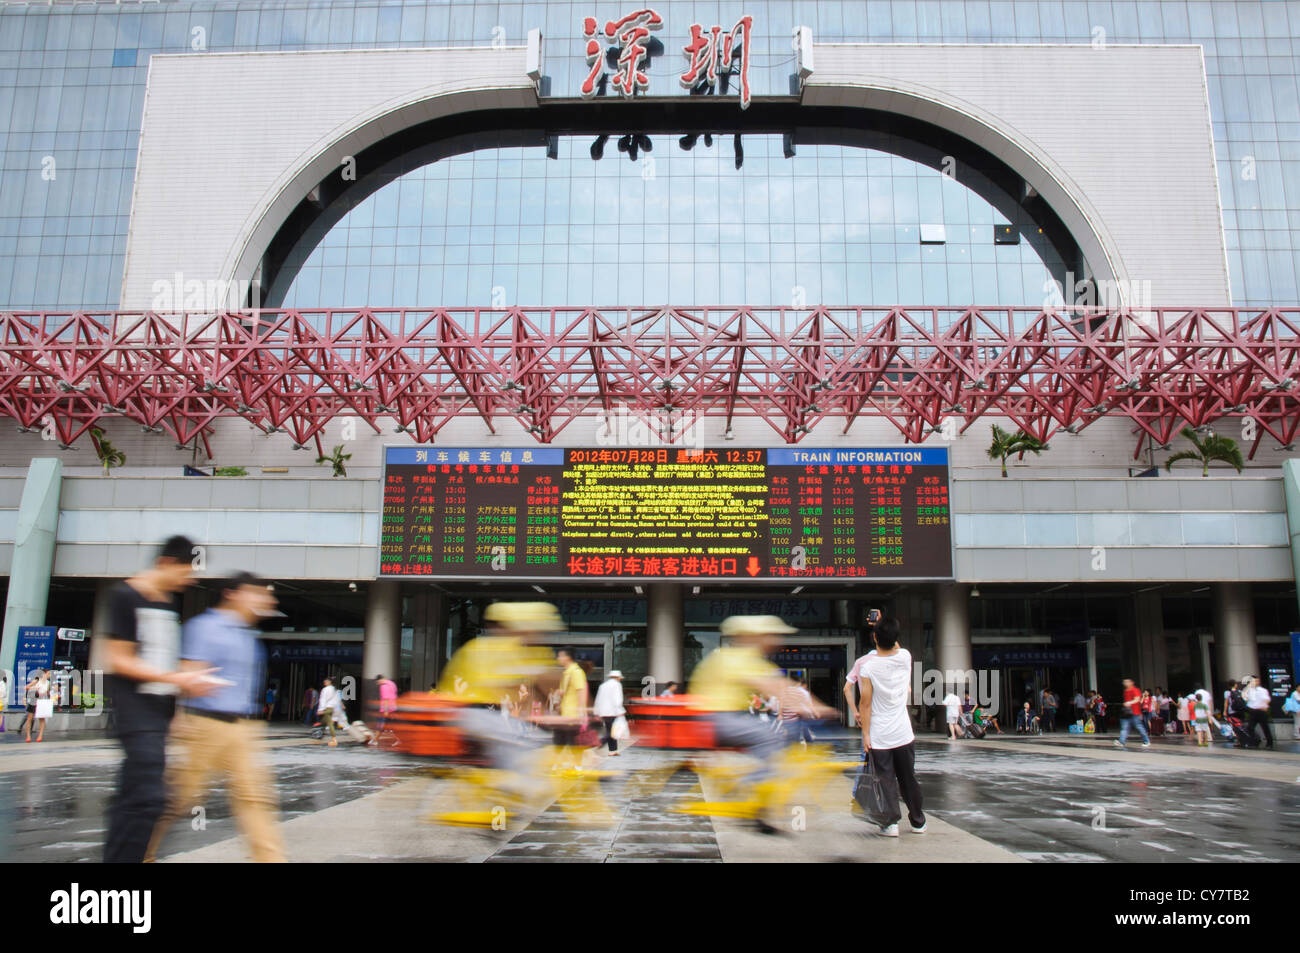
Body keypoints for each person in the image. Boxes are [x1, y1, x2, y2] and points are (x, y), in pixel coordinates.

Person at [144, 572, 285, 863]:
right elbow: (188, 672)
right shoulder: (204, 627)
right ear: (232, 593)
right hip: (206, 724)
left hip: (243, 728)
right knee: (181, 798)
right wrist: (180, 716)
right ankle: (140, 851)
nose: (265, 600)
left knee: (256, 799)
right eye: (257, 593)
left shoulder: (247, 634)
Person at [101, 535, 219, 863]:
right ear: (166, 563)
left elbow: (165, 659)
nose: (191, 580)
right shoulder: (125, 596)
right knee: (146, 797)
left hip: (158, 712)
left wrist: (177, 710)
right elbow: (119, 659)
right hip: (134, 710)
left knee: (144, 797)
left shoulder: (166, 603)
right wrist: (175, 678)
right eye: (187, 571)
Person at [689, 615, 835, 834]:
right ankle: (749, 787)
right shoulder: (740, 658)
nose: (775, 640)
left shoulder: (740, 658)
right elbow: (778, 688)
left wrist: (814, 705)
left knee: (770, 738)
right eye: (770, 635)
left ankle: (758, 800)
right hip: (715, 718)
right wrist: (818, 709)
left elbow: (781, 684)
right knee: (771, 736)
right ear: (752, 637)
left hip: (719, 718)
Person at [856, 617, 925, 837]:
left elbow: (865, 703)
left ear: (875, 637)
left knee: (885, 779)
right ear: (896, 638)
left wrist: (865, 734)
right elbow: (895, 644)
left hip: (879, 735)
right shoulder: (905, 657)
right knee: (908, 779)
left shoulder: (868, 667)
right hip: (903, 732)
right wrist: (884, 628)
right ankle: (918, 821)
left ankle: (891, 824)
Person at [553, 648, 589, 749]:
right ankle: (562, 763)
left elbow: (581, 692)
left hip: (573, 716)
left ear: (567, 657)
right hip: (565, 715)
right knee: (560, 743)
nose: (558, 658)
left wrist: (581, 713)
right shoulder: (567, 673)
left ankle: (577, 764)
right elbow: (565, 692)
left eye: (560, 656)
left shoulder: (576, 672)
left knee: (572, 744)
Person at [592, 669, 626, 756]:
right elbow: (617, 699)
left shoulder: (603, 685)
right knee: (611, 732)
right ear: (618, 678)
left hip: (604, 712)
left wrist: (597, 712)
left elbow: (598, 699)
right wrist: (620, 710)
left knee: (610, 730)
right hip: (613, 711)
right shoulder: (617, 685)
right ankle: (599, 743)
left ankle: (613, 750)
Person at [1114, 678, 1151, 749]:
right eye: (1124, 682)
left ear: (1131, 683)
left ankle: (1146, 741)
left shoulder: (1135, 690)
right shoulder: (1125, 691)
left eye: (1127, 682)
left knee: (1138, 726)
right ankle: (1121, 741)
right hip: (1127, 712)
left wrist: (1129, 703)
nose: (1125, 683)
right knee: (1124, 727)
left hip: (1135, 712)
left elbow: (1137, 699)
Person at [779, 678, 816, 745]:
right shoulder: (798, 692)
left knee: (788, 738)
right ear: (798, 683)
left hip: (786, 719)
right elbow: (800, 707)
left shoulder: (784, 691)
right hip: (795, 720)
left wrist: (780, 714)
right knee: (796, 739)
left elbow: (781, 705)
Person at [18, 668, 51, 743]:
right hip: (34, 700)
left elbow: (48, 692)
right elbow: (26, 687)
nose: (49, 675)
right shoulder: (37, 681)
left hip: (42, 701)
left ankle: (40, 736)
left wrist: (47, 693)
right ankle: (28, 736)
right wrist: (36, 688)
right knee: (30, 718)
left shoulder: (48, 683)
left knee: (41, 719)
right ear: (43, 674)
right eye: (48, 673)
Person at [1244, 675, 1275, 750]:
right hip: (1253, 711)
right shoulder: (1249, 691)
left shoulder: (1263, 690)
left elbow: (1267, 699)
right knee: (1250, 728)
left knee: (1265, 728)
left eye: (1256, 681)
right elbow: (1247, 700)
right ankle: (1254, 742)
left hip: (1261, 711)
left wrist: (1265, 706)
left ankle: (1269, 744)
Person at [371, 673, 398, 742]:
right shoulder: (392, 683)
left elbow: (386, 699)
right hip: (393, 708)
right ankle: (399, 740)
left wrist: (386, 711)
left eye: (377, 682)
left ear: (379, 680)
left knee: (380, 726)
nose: (378, 684)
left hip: (385, 710)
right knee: (391, 726)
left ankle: (374, 741)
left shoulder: (383, 686)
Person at [316, 677, 340, 747]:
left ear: (329, 682)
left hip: (327, 708)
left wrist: (320, 710)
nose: (324, 682)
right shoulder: (334, 689)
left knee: (329, 723)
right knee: (323, 722)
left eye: (326, 681)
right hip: (332, 708)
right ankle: (320, 735)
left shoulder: (325, 689)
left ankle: (334, 739)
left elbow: (323, 699)